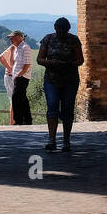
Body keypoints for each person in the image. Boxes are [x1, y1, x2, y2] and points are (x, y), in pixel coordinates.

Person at [36, 17, 84, 152]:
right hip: (52, 80)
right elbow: (39, 59)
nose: (61, 33)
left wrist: (67, 64)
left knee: (68, 108)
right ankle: (52, 140)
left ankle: (66, 141)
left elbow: (80, 60)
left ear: (68, 29)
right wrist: (51, 63)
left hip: (70, 80)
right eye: (59, 30)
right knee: (52, 107)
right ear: (55, 29)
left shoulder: (74, 40)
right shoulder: (48, 39)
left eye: (63, 30)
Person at [7, 30, 33, 125]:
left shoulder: (25, 47)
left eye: (12, 38)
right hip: (18, 76)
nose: (10, 40)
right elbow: (14, 62)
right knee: (22, 99)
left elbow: (27, 64)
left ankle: (18, 120)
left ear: (18, 37)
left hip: (22, 77)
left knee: (15, 97)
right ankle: (27, 120)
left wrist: (19, 74)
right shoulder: (17, 48)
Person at [0, 42, 16, 124]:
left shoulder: (16, 48)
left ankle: (13, 121)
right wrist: (9, 68)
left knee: (14, 99)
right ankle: (12, 122)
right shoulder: (12, 48)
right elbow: (0, 57)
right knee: (14, 100)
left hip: (11, 76)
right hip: (10, 76)